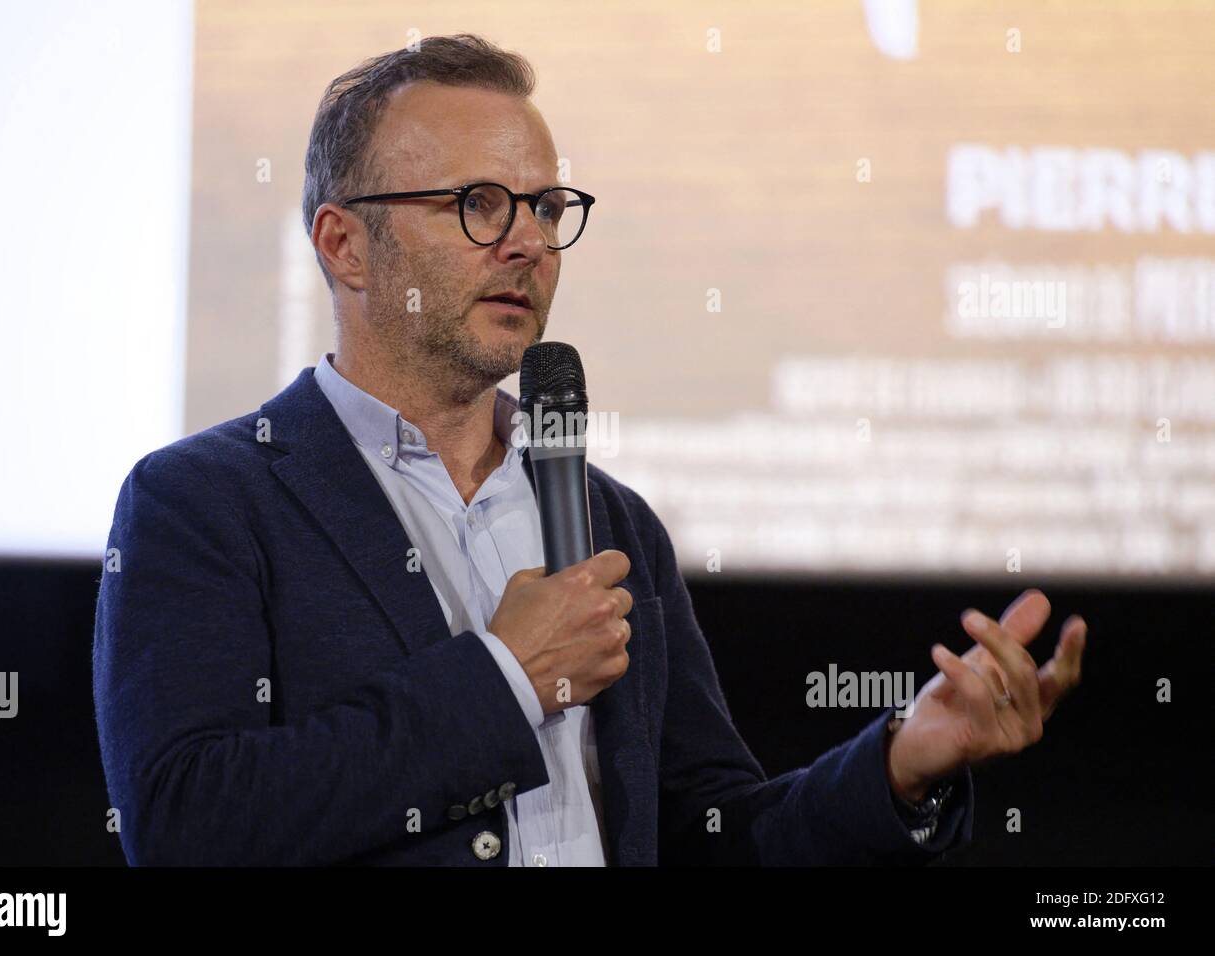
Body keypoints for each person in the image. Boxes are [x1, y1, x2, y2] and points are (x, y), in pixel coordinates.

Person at [93, 33, 1087, 866]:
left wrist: (899, 766)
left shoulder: (614, 520)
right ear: (344, 245)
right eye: (479, 202)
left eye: (545, 207)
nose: (527, 242)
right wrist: (505, 675)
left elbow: (711, 834)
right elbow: (185, 822)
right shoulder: (206, 502)